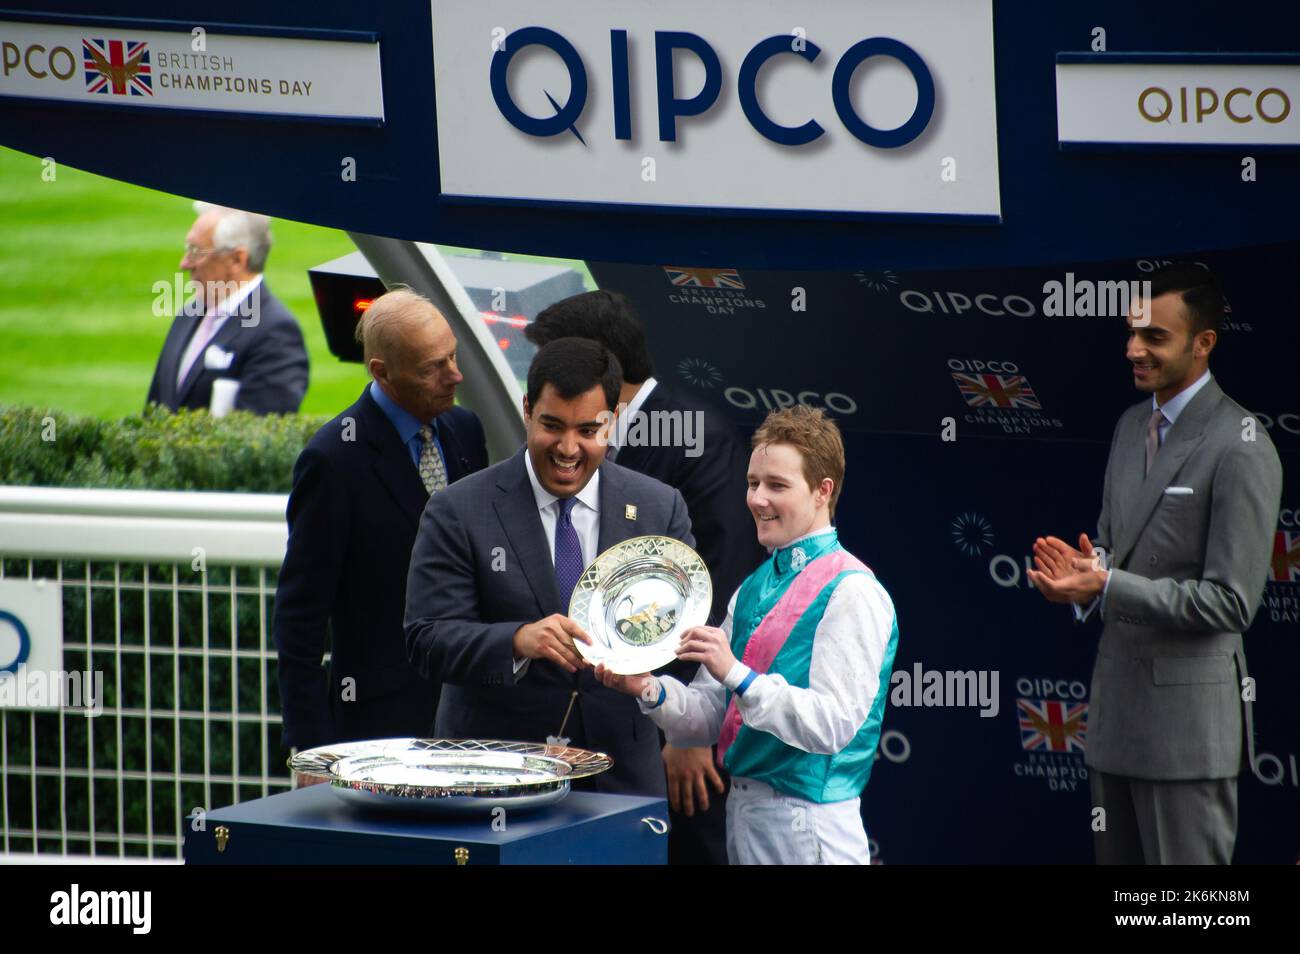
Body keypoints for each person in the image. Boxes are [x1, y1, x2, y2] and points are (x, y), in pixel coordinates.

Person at [1028, 263, 1283, 865]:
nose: (1133, 349)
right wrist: (1085, 575)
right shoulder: (1127, 427)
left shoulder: (1241, 444)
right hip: (1115, 718)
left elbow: (1232, 601)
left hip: (1188, 735)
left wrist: (1108, 582)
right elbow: (1121, 556)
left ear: (1204, 343)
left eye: (1154, 338)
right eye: (1132, 332)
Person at [597, 406, 899, 863]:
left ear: (823, 492)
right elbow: (708, 717)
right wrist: (647, 688)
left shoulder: (852, 589)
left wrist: (738, 674)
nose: (758, 499)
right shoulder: (754, 586)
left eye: (776, 485)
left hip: (809, 823)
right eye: (752, 483)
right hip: (745, 816)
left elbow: (833, 725)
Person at [526, 289, 765, 863]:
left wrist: (687, 728)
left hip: (673, 723)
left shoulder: (694, 436)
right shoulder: (582, 438)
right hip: (599, 722)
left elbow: (718, 587)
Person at [404, 337, 694, 796]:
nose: (568, 448)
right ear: (526, 410)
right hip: (497, 776)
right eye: (552, 426)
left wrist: (673, 710)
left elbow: (685, 630)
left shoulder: (659, 508)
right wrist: (518, 641)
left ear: (612, 422)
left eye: (587, 430)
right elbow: (427, 639)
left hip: (620, 777)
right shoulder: (459, 509)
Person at [274, 289, 487, 753]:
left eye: (452, 356)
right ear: (381, 373)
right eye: (432, 367)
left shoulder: (465, 429)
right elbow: (300, 615)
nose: (455, 375)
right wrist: (311, 746)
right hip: (379, 728)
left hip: (471, 715)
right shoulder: (332, 460)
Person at [146, 202, 309, 414]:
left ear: (236, 259)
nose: (184, 263)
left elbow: (256, 438)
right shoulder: (189, 313)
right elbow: (154, 411)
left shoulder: (277, 334)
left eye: (196, 252)